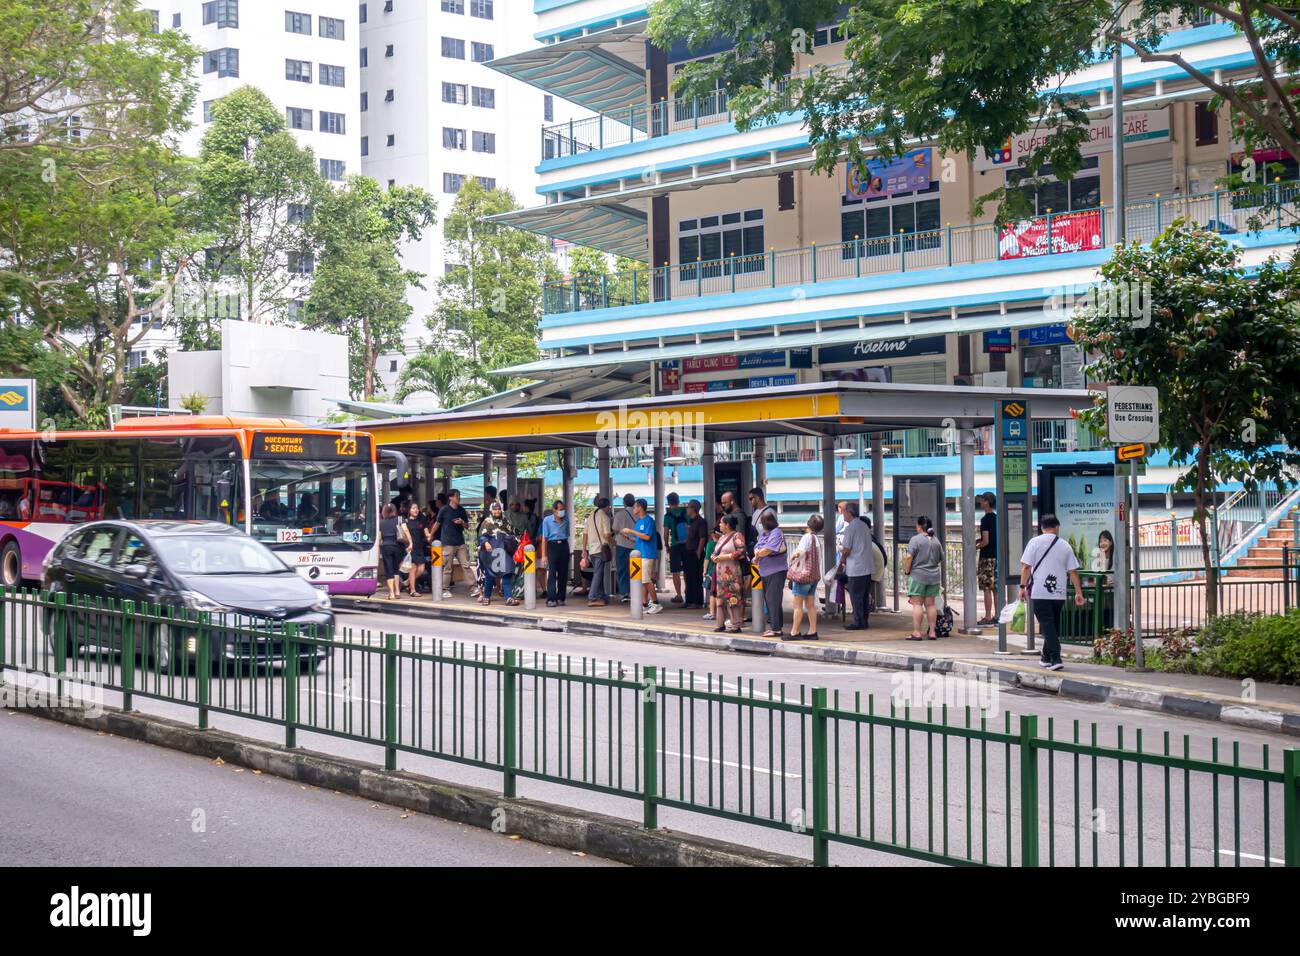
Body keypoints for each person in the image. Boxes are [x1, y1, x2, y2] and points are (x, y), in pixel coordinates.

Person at [1019, 514, 1086, 670]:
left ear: (1042, 528)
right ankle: (1046, 657)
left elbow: (1026, 567)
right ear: (1057, 528)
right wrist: (1078, 592)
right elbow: (1073, 572)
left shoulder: (1034, 543)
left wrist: (1022, 588)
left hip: (1040, 593)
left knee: (1048, 625)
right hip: (1059, 593)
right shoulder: (1065, 545)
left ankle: (1056, 658)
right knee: (1052, 625)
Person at [904, 515, 945, 641]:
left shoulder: (915, 540)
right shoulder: (936, 540)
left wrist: (907, 571)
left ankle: (917, 632)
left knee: (917, 604)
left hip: (918, 576)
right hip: (933, 577)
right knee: (931, 605)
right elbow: (941, 558)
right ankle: (932, 632)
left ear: (920, 526)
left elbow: (909, 557)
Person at [619, 498, 662, 613]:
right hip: (638, 555)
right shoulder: (638, 522)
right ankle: (644, 604)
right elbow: (639, 539)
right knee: (642, 580)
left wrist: (631, 531)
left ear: (640, 508)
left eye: (635, 507)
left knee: (646, 580)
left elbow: (647, 537)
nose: (633, 509)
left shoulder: (649, 521)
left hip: (647, 554)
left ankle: (656, 603)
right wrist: (628, 537)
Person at [432, 489, 477, 598]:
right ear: (450, 498)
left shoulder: (461, 510)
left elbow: (467, 526)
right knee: (448, 567)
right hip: (447, 543)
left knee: (466, 565)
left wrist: (462, 522)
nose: (459, 498)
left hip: (460, 542)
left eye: (459, 496)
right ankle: (445, 589)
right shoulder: (444, 510)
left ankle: (473, 587)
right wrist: (430, 534)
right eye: (457, 496)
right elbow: (437, 524)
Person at [837, 502, 873, 630]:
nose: (843, 514)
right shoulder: (864, 525)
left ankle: (858, 622)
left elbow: (846, 549)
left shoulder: (850, 528)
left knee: (856, 597)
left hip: (855, 568)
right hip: (867, 567)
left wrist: (842, 561)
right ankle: (864, 621)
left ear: (849, 513)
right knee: (864, 597)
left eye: (844, 512)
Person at [753, 509, 788, 638]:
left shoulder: (776, 532)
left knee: (773, 599)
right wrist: (758, 552)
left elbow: (767, 550)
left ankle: (776, 629)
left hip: (776, 570)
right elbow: (757, 547)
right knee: (770, 599)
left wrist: (758, 553)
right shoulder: (764, 534)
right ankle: (776, 625)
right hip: (765, 571)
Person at [789, 514, 824, 640]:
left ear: (808, 524)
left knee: (797, 605)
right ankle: (812, 631)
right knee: (810, 605)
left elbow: (800, 552)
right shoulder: (817, 539)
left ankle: (794, 632)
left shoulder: (806, 537)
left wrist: (792, 558)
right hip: (814, 576)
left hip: (804, 576)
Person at [711, 513, 746, 632]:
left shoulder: (737, 536)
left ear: (727, 524)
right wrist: (714, 557)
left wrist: (724, 557)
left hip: (732, 574)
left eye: (721, 522)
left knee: (733, 599)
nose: (719, 525)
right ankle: (720, 624)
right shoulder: (721, 538)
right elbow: (716, 552)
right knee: (720, 599)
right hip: (721, 574)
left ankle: (736, 625)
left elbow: (741, 551)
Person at [582, 495, 614, 607]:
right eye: (609, 507)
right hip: (601, 549)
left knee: (598, 573)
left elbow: (585, 534)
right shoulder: (604, 517)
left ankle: (601, 596)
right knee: (598, 574)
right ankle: (592, 597)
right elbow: (606, 534)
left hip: (592, 549)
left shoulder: (591, 516)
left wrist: (584, 549)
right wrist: (612, 541)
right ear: (607, 507)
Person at [477, 517, 517, 605]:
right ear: (491, 510)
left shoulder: (505, 521)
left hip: (504, 551)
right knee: (489, 576)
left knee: (507, 574)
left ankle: (508, 598)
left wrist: (513, 540)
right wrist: (485, 542)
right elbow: (481, 536)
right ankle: (486, 597)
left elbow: (512, 533)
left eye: (499, 509)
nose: (497, 511)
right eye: (495, 509)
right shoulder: (487, 521)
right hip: (491, 552)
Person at [540, 499, 571, 607]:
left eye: (563, 509)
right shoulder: (547, 520)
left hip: (563, 545)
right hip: (552, 546)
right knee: (552, 573)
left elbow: (567, 534)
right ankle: (551, 598)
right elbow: (544, 538)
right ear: (554, 510)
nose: (562, 512)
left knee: (563, 573)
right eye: (560, 510)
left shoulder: (566, 519)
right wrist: (544, 555)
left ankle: (561, 597)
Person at [663, 492, 689, 604]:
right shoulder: (686, 512)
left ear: (668, 502)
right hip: (687, 545)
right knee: (688, 570)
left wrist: (666, 545)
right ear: (678, 500)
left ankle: (679, 595)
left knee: (675, 572)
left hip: (675, 545)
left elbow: (665, 534)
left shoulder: (667, 516)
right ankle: (688, 591)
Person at [977, 493, 998, 625]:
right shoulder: (997, 518)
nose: (980, 502)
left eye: (982, 500)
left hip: (986, 558)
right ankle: (998, 616)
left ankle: (988, 617)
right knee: (995, 588)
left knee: (986, 588)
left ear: (987, 502)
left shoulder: (985, 520)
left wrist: (976, 546)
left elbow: (986, 541)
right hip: (996, 557)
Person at [398, 500, 428, 597]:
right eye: (413, 508)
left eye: (417, 508)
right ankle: (412, 590)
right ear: (409, 510)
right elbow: (404, 533)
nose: (416, 510)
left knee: (421, 569)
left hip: (419, 547)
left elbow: (426, 532)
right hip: (410, 548)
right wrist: (409, 544)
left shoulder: (421, 521)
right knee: (413, 568)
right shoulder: (405, 521)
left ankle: (406, 583)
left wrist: (429, 536)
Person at [682, 499, 708, 609]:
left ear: (693, 508)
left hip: (695, 552)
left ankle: (697, 601)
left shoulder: (700, 521)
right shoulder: (691, 521)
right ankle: (689, 600)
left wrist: (699, 551)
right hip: (688, 552)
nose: (687, 509)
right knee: (688, 577)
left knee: (695, 577)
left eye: (688, 507)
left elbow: (703, 537)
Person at [612, 493, 636, 603]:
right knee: (635, 570)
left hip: (622, 545)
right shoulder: (638, 513)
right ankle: (636, 591)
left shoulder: (620, 514)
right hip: (636, 546)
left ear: (624, 502)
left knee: (622, 570)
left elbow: (615, 529)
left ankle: (625, 593)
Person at [378, 503, 403, 600]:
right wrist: (410, 543)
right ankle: (397, 592)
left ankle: (391, 593)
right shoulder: (398, 520)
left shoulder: (381, 522)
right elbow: (404, 530)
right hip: (397, 546)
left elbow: (379, 538)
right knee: (396, 569)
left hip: (386, 546)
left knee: (389, 570)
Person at [702, 516, 721, 622]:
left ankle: (712, 612)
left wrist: (704, 571)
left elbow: (706, 559)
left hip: (711, 571)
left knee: (712, 593)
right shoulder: (722, 543)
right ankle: (719, 612)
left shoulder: (710, 544)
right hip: (721, 570)